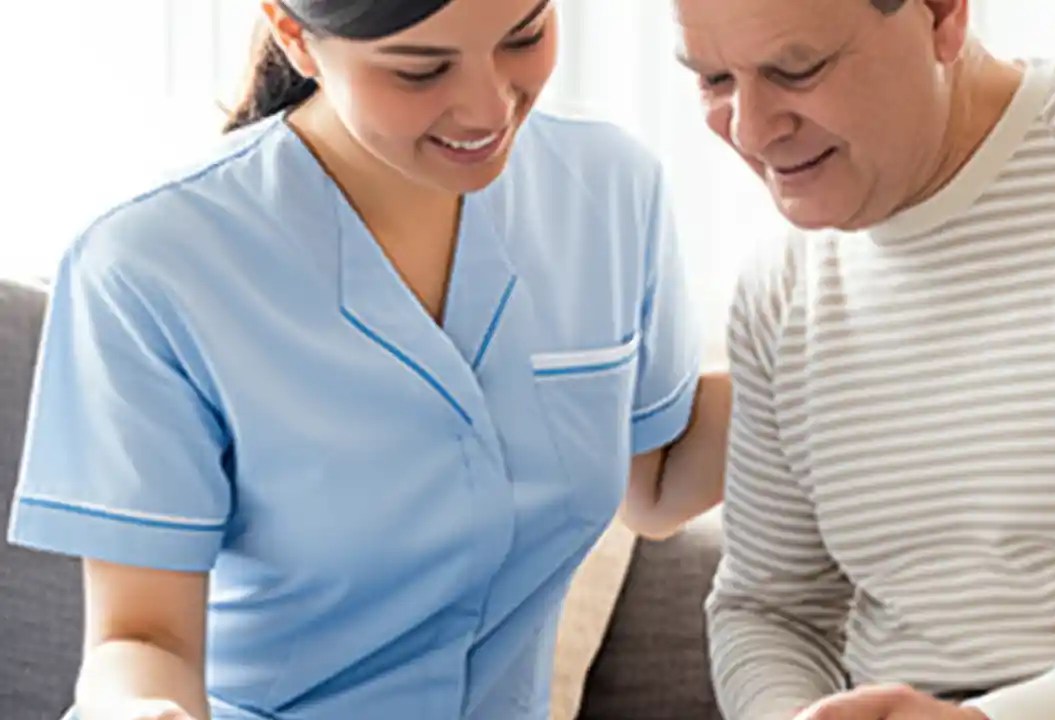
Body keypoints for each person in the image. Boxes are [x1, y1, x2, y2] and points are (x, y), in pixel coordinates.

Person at [6, 1, 729, 718]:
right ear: (296, 38)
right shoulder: (148, 267)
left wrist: (838, 311)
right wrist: (141, 710)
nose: (487, 108)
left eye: (525, 36)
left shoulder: (607, 189)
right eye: (420, 71)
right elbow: (144, 635)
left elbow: (655, 481)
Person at [671, 0, 1055, 718]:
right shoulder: (780, 288)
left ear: (942, 16)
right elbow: (770, 609)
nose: (749, 129)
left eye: (797, 70)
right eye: (714, 80)